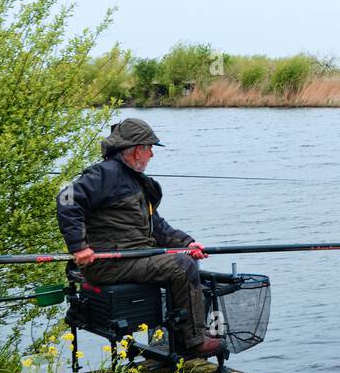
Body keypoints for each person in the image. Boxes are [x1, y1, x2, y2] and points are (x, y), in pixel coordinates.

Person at [57, 117, 220, 356]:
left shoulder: (133, 180)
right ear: (136, 151)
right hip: (109, 263)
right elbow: (66, 198)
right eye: (150, 148)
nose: (152, 155)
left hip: (135, 257)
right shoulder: (106, 174)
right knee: (182, 266)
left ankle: (183, 334)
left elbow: (156, 226)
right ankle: (194, 342)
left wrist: (186, 243)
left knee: (186, 257)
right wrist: (79, 246)